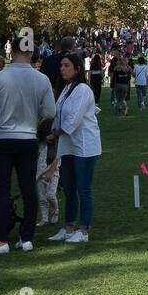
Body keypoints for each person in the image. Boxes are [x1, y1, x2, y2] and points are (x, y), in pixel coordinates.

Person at [0, 44, 56, 255]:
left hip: (4, 138)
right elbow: (50, 110)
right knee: (28, 188)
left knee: (1, 189)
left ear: (11, 53)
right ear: (31, 54)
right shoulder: (41, 79)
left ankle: (1, 240)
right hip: (28, 137)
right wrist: (34, 113)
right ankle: (26, 237)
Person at [48, 55, 101, 245]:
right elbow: (58, 113)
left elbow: (74, 119)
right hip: (68, 144)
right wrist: (53, 131)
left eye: (67, 65)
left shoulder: (83, 90)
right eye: (61, 66)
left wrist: (57, 133)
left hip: (85, 145)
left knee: (83, 188)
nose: (62, 69)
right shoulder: (66, 89)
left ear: (78, 68)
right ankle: (69, 226)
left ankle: (84, 229)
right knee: (69, 188)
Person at [35, 117, 61, 227]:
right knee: (42, 198)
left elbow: (57, 158)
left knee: (50, 195)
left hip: (53, 172)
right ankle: (44, 218)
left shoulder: (57, 145)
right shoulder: (41, 144)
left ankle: (55, 211)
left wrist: (51, 171)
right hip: (39, 174)